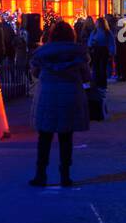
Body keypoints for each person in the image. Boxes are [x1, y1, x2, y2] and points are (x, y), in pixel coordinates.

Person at [28, 20, 91, 188]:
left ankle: (40, 174)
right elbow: (86, 76)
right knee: (66, 138)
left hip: (47, 97)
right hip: (70, 98)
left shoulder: (42, 53)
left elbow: (35, 72)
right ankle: (65, 175)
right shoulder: (78, 53)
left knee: (44, 138)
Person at [88, 15, 115, 90]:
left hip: (100, 50)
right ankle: (100, 83)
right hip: (100, 50)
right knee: (99, 67)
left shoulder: (99, 32)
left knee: (100, 67)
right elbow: (111, 43)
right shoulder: (105, 32)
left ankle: (100, 83)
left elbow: (111, 42)